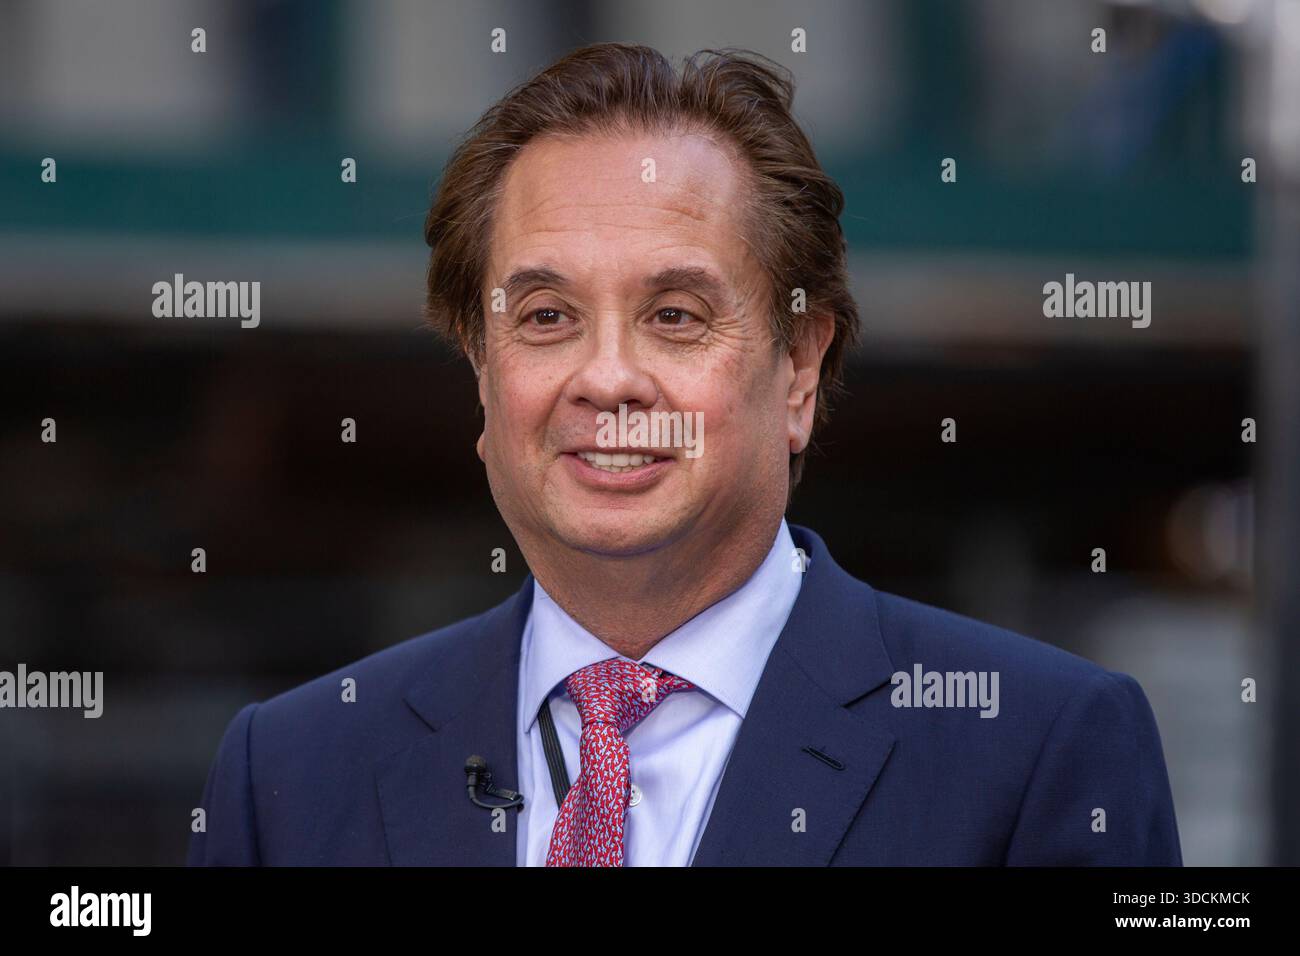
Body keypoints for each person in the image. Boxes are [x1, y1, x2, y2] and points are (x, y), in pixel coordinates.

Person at [188, 43, 1181, 866]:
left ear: (798, 365)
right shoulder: (290, 774)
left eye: (674, 315)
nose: (607, 378)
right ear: (482, 374)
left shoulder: (1039, 748)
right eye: (545, 316)